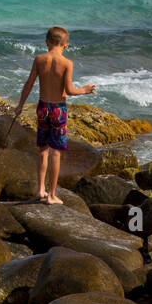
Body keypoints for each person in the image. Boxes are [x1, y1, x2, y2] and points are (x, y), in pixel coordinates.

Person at [14, 26, 96, 204]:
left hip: (43, 108)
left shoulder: (39, 59)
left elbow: (29, 84)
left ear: (46, 42)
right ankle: (52, 195)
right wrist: (85, 90)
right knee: (56, 153)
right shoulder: (67, 63)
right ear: (66, 45)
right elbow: (70, 90)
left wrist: (20, 105)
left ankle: (40, 190)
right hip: (58, 110)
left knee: (43, 150)